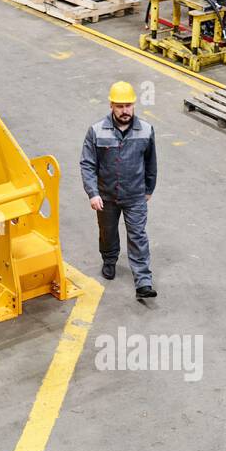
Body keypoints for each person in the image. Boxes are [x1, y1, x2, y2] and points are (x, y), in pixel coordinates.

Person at [79, 81, 158, 299]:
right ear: (111, 106)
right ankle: (109, 259)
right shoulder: (96, 131)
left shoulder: (146, 130)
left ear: (134, 105)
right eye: (120, 106)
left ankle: (143, 281)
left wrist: (149, 188)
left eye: (128, 106)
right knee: (108, 232)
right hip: (106, 196)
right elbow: (88, 163)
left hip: (135, 195)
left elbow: (151, 162)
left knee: (138, 236)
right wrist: (93, 193)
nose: (125, 111)